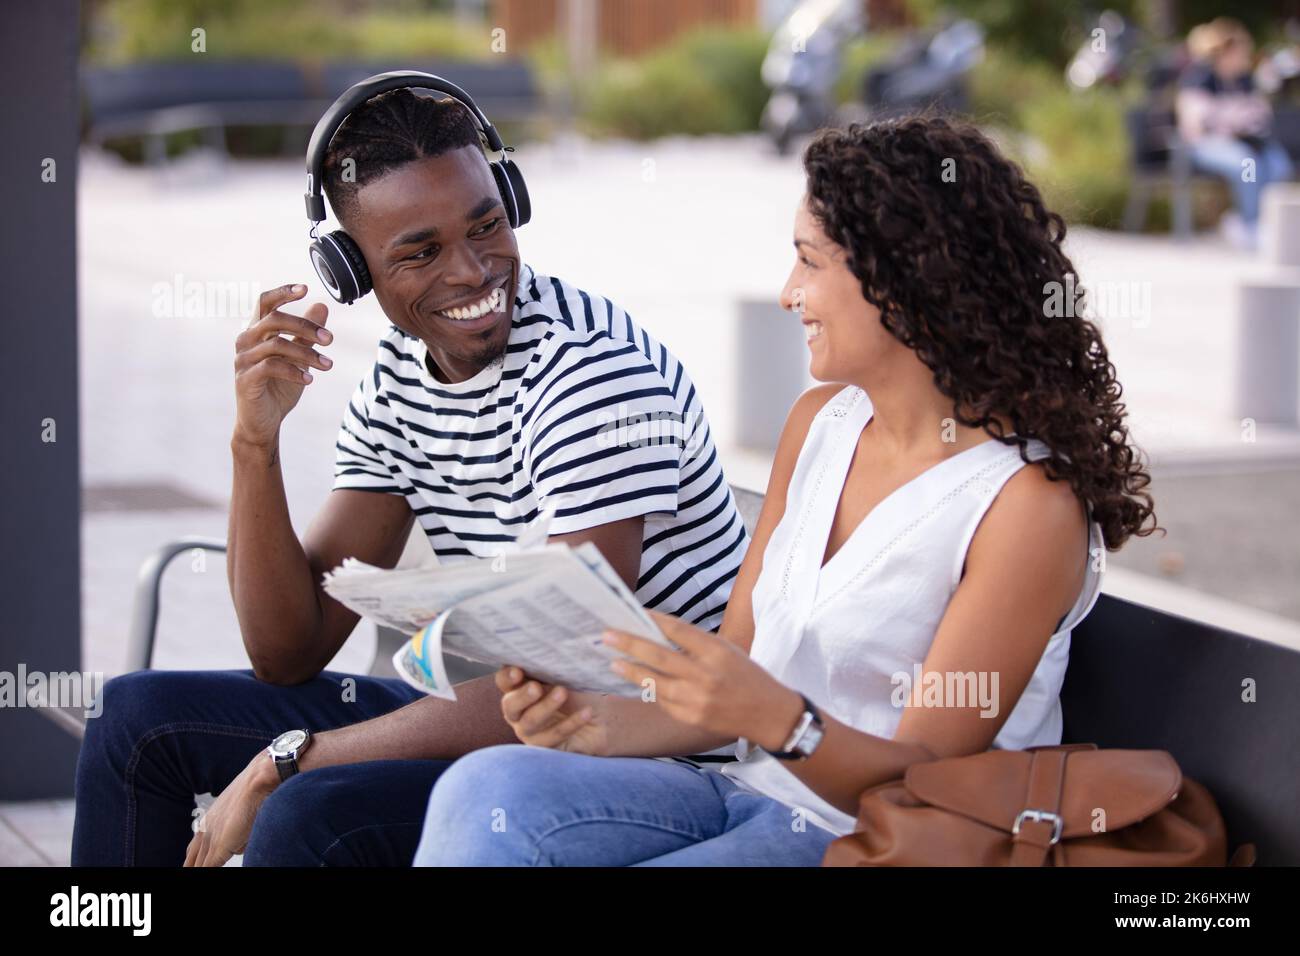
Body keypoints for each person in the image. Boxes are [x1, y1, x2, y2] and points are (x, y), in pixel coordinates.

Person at [413, 115, 1158, 867]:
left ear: (902, 282)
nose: (787, 293)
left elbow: (928, 775)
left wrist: (783, 722)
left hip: (880, 839)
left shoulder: (1025, 504)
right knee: (488, 789)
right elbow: (740, 671)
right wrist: (596, 727)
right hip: (752, 793)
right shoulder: (820, 426)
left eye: (808, 262)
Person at [71, 85, 747, 867]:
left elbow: (562, 668)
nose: (472, 271)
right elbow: (288, 650)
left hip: (650, 755)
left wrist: (287, 760)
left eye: (487, 225)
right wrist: (254, 444)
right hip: (501, 714)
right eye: (420, 251)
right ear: (351, 268)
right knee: (135, 719)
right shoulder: (399, 378)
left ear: (512, 201)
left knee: (314, 809)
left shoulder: (592, 375)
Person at [1177, 17, 1295, 247]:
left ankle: (1266, 223)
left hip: (1246, 142)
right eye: (1241, 51)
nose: (1245, 57)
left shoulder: (1245, 80)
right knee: (1247, 165)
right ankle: (1249, 223)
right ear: (1226, 52)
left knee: (1278, 163)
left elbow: (1260, 114)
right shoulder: (1200, 77)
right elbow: (1197, 122)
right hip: (1205, 145)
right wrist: (1232, 119)